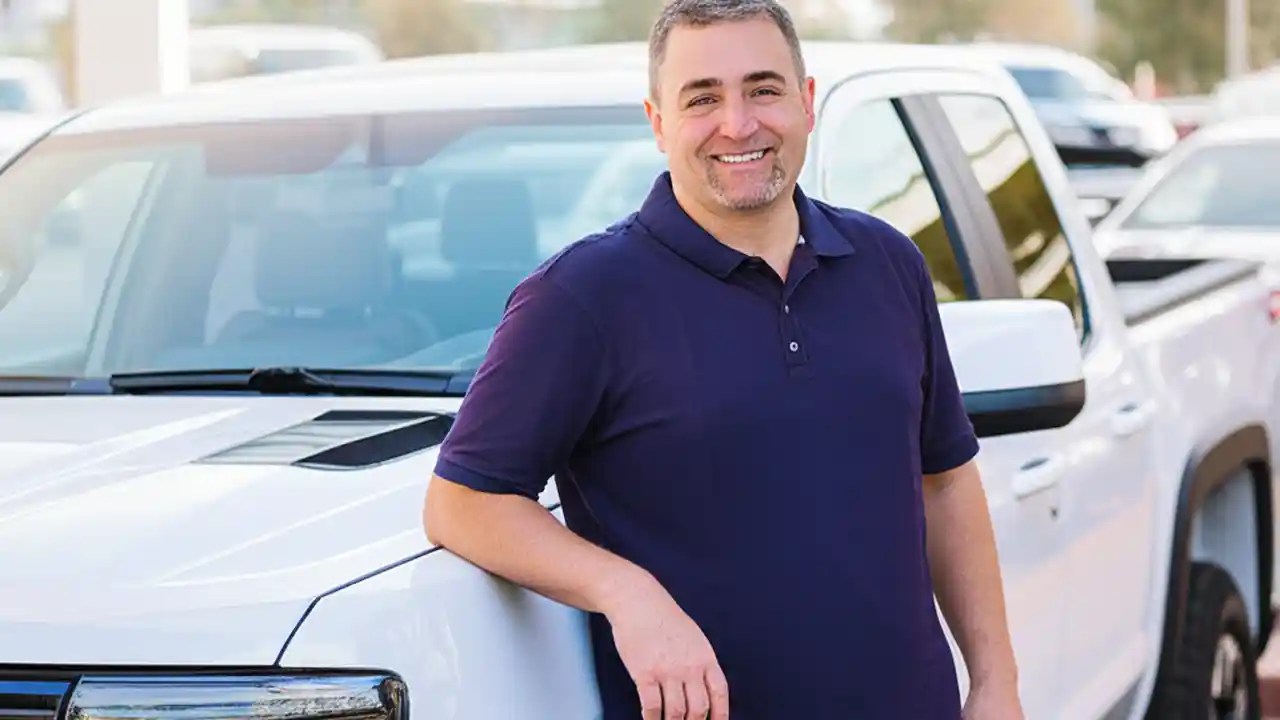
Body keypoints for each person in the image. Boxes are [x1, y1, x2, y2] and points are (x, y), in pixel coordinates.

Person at [424, 0, 1025, 717]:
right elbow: (462, 503)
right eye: (702, 98)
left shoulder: (886, 262)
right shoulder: (583, 297)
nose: (738, 125)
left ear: (805, 103)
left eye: (763, 90)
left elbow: (946, 483)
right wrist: (626, 592)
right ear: (658, 122)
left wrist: (995, 682)